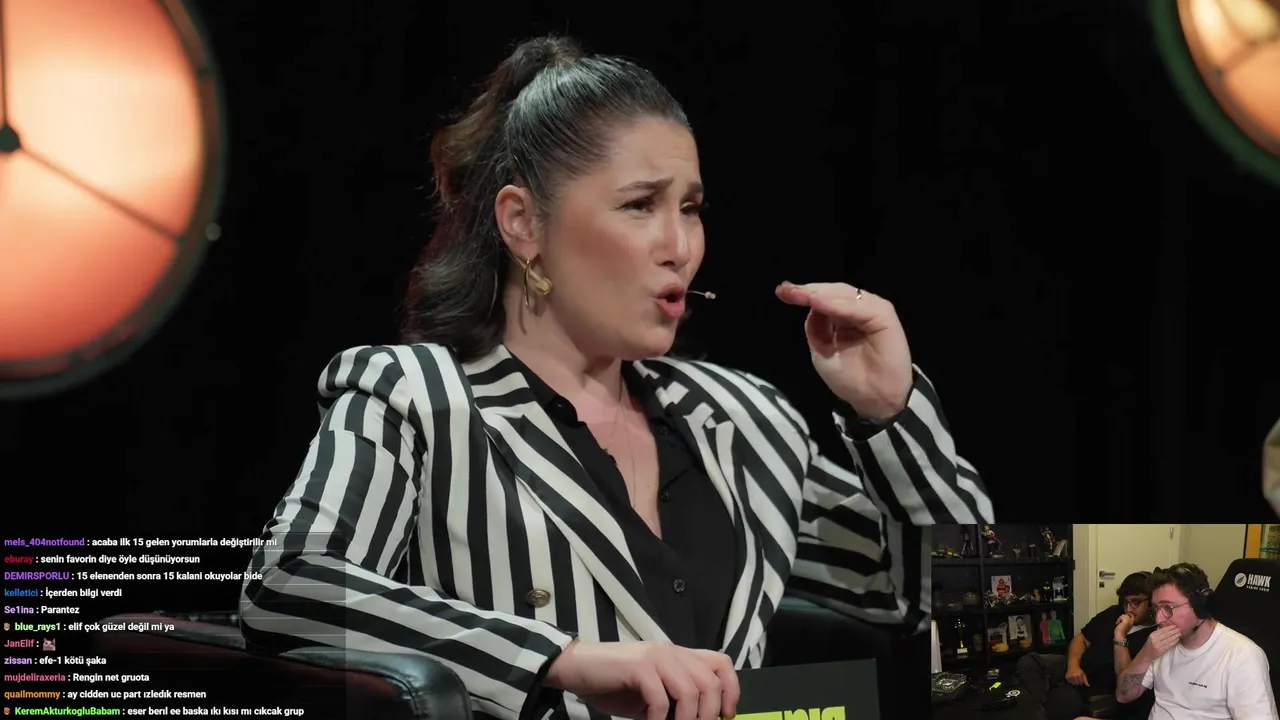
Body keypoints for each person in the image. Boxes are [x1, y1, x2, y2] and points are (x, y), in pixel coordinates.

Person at [238, 35, 992, 720]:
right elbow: (290, 584)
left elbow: (965, 602)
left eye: (690, 208)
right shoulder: (418, 397)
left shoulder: (745, 419)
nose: (680, 246)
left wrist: (888, 414)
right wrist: (564, 660)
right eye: (640, 206)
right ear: (522, 223)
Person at [1115, 563, 1278, 719]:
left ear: (1201, 606)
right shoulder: (1159, 643)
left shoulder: (1242, 656)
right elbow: (1123, 696)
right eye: (1156, 609)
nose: (1158, 619)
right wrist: (1146, 655)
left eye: (1168, 608)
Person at [1017, 571, 1156, 720]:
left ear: (1151, 602)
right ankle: (1038, 710)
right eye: (1126, 602)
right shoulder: (1113, 612)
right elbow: (1081, 638)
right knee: (1029, 663)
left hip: (1094, 685)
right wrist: (1073, 666)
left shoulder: (1152, 636)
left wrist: (1120, 635)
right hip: (1077, 666)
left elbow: (1125, 681)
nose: (1129, 608)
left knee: (1061, 702)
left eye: (1136, 602)